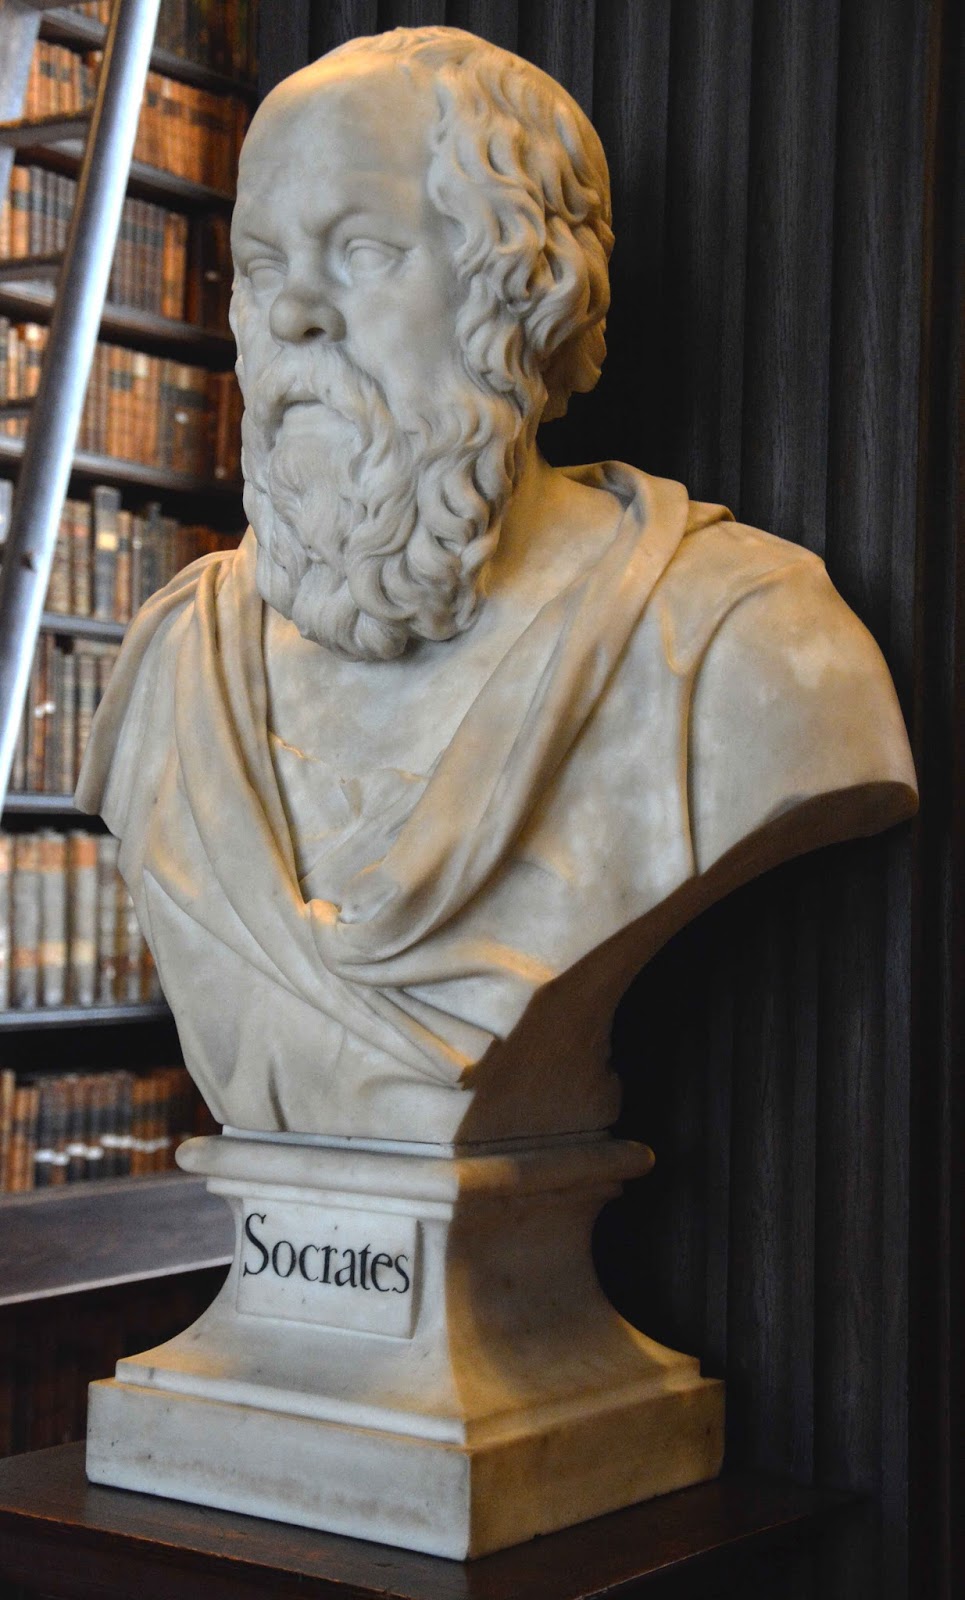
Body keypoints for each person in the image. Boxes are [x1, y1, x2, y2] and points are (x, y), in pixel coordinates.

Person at [77, 26, 917, 1144]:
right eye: (264, 264)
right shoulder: (175, 662)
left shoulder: (740, 654)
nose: (290, 316)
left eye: (362, 250)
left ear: (518, 292)